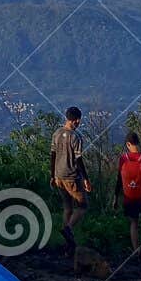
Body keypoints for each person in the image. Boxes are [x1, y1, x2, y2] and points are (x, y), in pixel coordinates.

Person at [50, 107, 90, 258]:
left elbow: (52, 155)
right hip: (71, 177)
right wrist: (85, 178)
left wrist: (52, 175)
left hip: (59, 176)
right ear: (76, 120)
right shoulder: (76, 137)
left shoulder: (56, 134)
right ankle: (69, 228)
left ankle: (67, 244)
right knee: (82, 206)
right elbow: (79, 160)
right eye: (79, 120)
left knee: (67, 208)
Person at [118, 132, 141, 249]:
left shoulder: (123, 159)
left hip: (129, 198)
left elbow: (119, 179)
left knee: (133, 223)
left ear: (128, 144)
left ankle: (136, 250)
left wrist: (116, 196)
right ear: (138, 142)